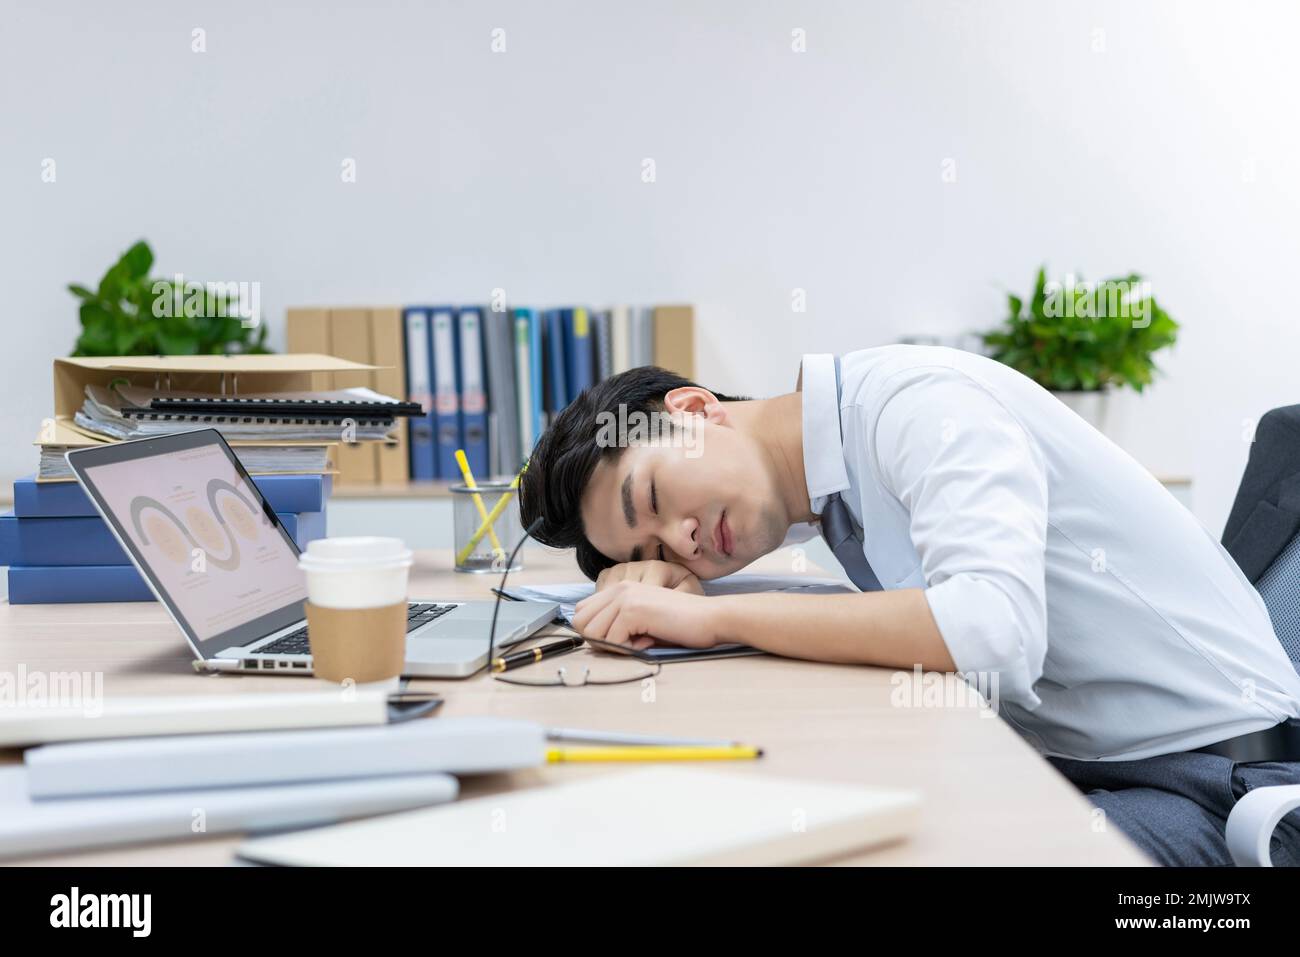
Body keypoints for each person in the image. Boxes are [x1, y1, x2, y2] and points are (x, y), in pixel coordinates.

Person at [518, 345, 1300, 865]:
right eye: (657, 550)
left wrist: (712, 615)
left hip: (1224, 790)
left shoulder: (918, 407)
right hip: (1103, 770)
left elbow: (993, 632)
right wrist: (685, 590)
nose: (683, 541)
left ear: (694, 409)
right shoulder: (830, 485)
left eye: (655, 498)